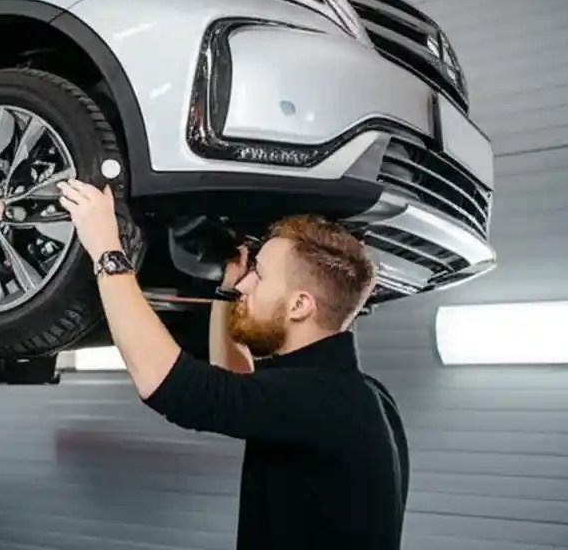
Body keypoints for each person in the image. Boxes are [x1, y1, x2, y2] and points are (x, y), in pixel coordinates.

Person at [57, 178, 410, 550]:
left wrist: (107, 249)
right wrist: (228, 291)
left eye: (260, 276)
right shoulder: (359, 395)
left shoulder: (323, 400)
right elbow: (238, 381)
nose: (246, 286)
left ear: (299, 306)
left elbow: (172, 385)